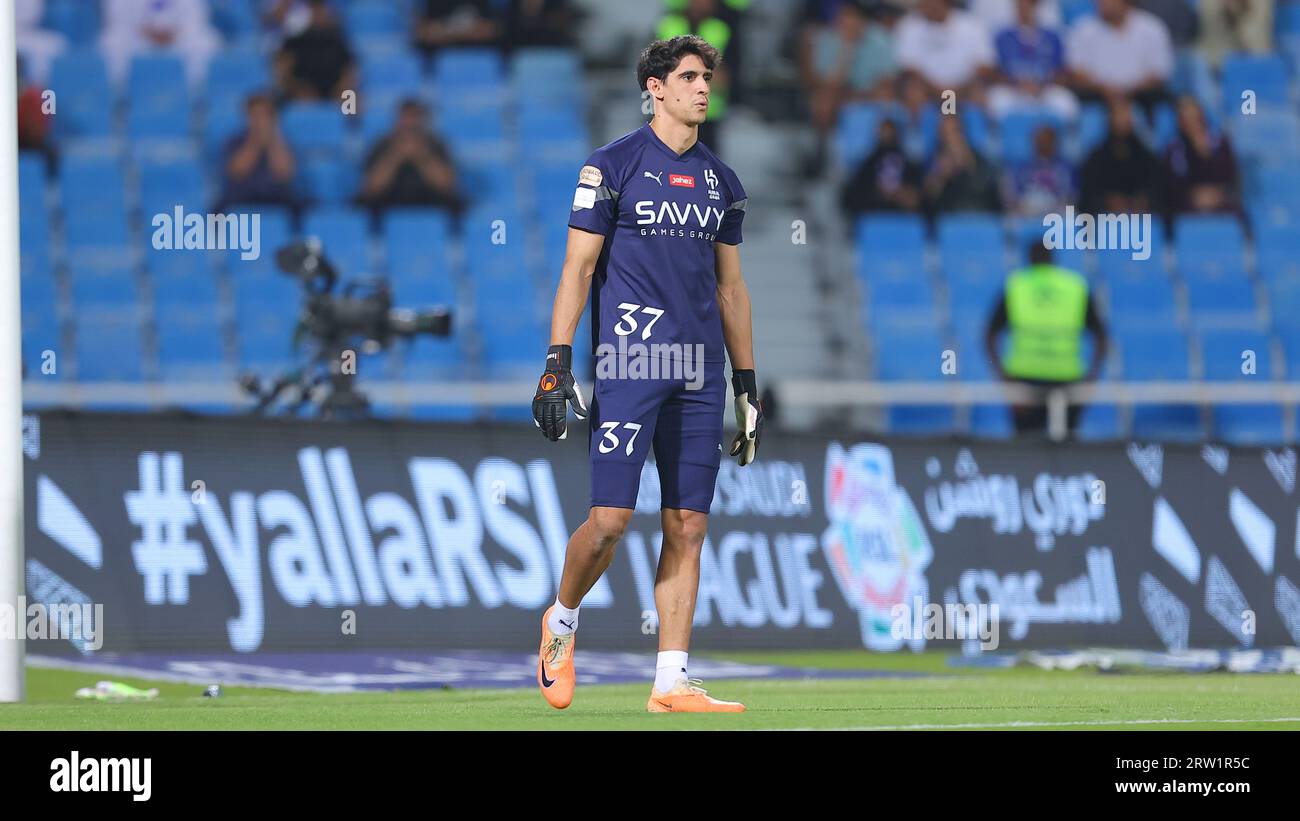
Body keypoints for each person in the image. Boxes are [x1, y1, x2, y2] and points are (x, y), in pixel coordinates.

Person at [531, 35, 760, 713]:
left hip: (698, 374)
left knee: (688, 525)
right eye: (689, 76)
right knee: (608, 520)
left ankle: (670, 680)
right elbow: (576, 268)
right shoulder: (612, 167)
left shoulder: (724, 182)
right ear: (655, 88)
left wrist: (747, 385)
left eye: (707, 77)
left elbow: (732, 291)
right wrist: (556, 361)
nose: (702, 87)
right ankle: (562, 621)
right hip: (630, 365)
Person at [985, 241, 1108, 436]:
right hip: (1068, 377)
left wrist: (1006, 382)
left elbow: (989, 336)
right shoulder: (1076, 286)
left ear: (1029, 259)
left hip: (1023, 379)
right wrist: (1091, 378)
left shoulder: (1016, 285)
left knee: (1026, 451)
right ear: (1054, 259)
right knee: (1068, 450)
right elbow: (1101, 336)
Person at [357, 99, 463, 214]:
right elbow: (372, 187)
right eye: (405, 118)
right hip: (389, 201)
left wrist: (422, 156)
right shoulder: (382, 144)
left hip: (429, 200)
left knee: (457, 203)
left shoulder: (436, 143)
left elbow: (447, 185)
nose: (409, 124)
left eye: (414, 118)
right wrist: (395, 156)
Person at [1065, 0, 1173, 111]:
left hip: (1141, 96)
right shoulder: (1082, 29)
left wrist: (1129, 91)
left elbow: (1159, 73)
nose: (1102, 3)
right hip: (1097, 95)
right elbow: (1077, 72)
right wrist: (1106, 90)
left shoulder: (1152, 28)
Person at [100, 0, 222, 90]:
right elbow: (118, 20)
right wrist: (146, 32)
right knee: (112, 42)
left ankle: (196, 92)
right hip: (137, 39)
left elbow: (196, 19)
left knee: (206, 41)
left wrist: (174, 33)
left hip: (178, 39)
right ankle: (118, 93)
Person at [988, 0, 1079, 121]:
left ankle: (1066, 139)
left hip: (1045, 90)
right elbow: (996, 70)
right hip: (1013, 90)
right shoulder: (1003, 36)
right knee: (997, 102)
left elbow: (1061, 71)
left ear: (1036, 7)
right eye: (1020, 6)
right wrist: (1017, 85)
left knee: (1066, 104)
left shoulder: (1052, 37)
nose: (1023, 10)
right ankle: (999, 138)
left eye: (1027, 6)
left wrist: (1042, 86)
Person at [216, 92, 301, 213]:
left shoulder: (283, 142)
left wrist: (273, 141)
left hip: (274, 195)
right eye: (255, 115)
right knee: (218, 209)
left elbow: (285, 174)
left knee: (298, 205)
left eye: (264, 115)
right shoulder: (234, 141)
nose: (259, 120)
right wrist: (255, 142)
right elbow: (236, 172)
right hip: (242, 194)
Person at [1079, 97, 1160, 214]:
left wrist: (1143, 200)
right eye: (1118, 114)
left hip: (1141, 223)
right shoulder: (1096, 158)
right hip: (1105, 222)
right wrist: (1107, 201)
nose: (1122, 119)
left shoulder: (1146, 157)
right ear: (1109, 118)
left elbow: (1156, 189)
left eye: (1126, 114)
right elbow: (1088, 195)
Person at [1162, 95, 1240, 218]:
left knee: (1236, 212)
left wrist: (1216, 193)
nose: (1192, 123)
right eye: (1187, 119)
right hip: (1187, 204)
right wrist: (1194, 195)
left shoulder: (1220, 143)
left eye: (1195, 118)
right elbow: (1173, 182)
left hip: (1219, 200)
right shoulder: (1174, 149)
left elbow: (1230, 176)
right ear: (1180, 121)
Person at [275, 0, 356, 102]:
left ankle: (352, 118)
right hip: (300, 92)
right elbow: (282, 69)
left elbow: (350, 69)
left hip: (335, 92)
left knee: (351, 99)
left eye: (321, 10)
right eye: (315, 10)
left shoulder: (337, 40)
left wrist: (342, 87)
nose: (319, 14)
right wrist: (295, 88)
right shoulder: (295, 40)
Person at [923, 114, 1002, 216]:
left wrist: (966, 162)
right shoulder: (934, 158)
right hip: (948, 215)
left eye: (953, 132)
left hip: (978, 212)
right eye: (945, 132)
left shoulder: (976, 157)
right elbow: (929, 194)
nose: (949, 138)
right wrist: (941, 175)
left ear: (962, 133)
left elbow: (987, 185)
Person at [840, 117, 923, 215]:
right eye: (883, 132)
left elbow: (917, 197)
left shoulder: (908, 163)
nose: (886, 136)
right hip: (875, 214)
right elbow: (853, 196)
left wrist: (901, 194)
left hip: (902, 216)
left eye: (890, 133)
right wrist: (878, 192)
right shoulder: (870, 163)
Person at [1004, 124, 1075, 218]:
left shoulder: (1065, 168)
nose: (1043, 143)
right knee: (1010, 219)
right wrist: (1019, 205)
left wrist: (1054, 206)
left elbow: (1070, 195)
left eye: (1047, 140)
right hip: (1026, 208)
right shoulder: (1022, 168)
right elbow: (1011, 193)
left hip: (1055, 210)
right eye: (1039, 140)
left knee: (1070, 215)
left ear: (1054, 142)